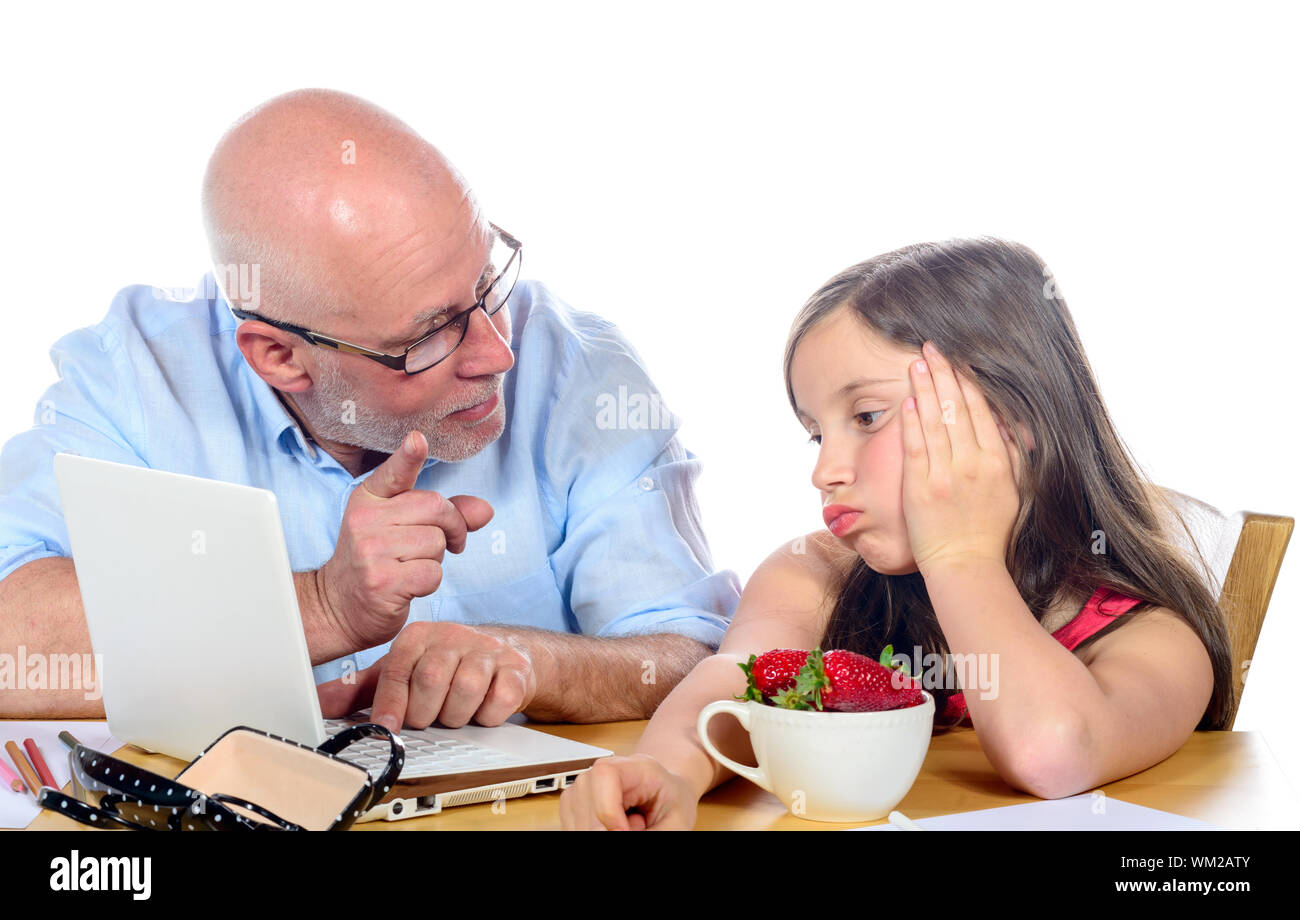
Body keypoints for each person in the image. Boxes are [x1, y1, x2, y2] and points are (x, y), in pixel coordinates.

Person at [0, 88, 740, 730]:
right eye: (430, 333)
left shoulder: (578, 368)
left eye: (489, 279)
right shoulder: (139, 377)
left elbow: (694, 657)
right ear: (279, 358)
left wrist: (533, 665)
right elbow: (11, 646)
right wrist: (321, 609)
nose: (497, 353)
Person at [559, 237, 1234, 829]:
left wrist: (962, 555)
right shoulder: (812, 575)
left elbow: (1050, 754)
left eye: (868, 417)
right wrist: (668, 771)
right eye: (816, 433)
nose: (825, 470)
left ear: (1015, 422)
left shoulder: (1154, 638)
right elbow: (731, 686)